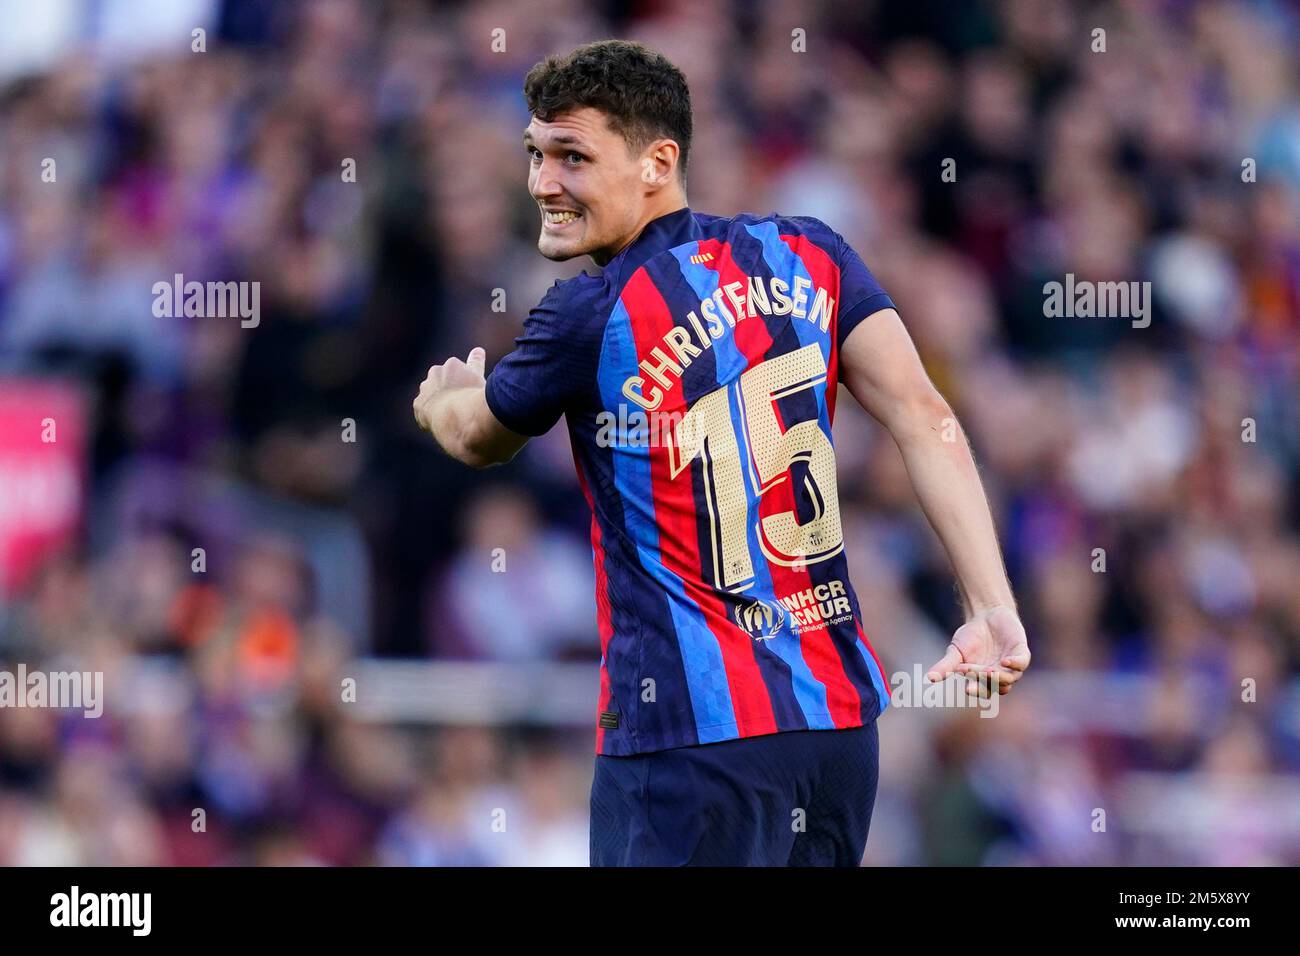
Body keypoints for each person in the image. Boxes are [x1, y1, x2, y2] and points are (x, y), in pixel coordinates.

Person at [413, 39, 1030, 866]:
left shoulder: (587, 314)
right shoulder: (811, 255)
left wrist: (441, 398)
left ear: (657, 162)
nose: (542, 185)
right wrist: (991, 607)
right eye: (535, 155)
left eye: (573, 157)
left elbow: (477, 438)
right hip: (836, 735)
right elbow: (926, 417)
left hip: (687, 739)